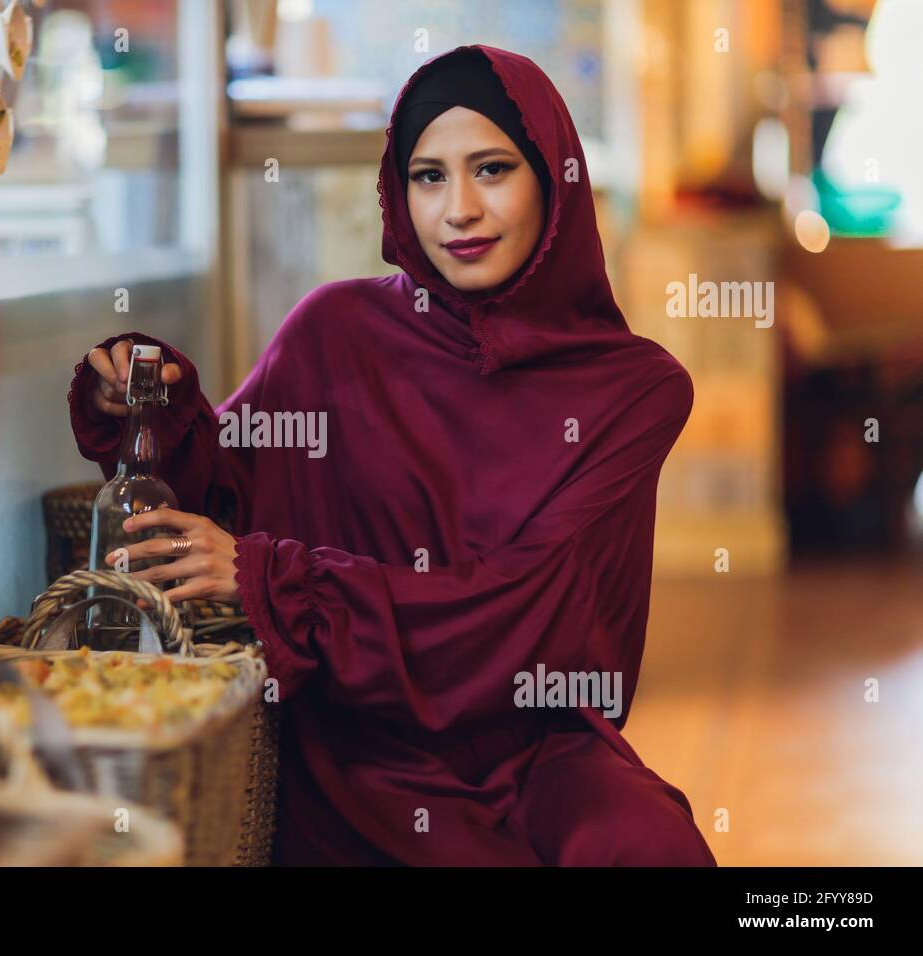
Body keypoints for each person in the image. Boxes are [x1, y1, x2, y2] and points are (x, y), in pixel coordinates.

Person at [68, 45, 716, 866]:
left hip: (535, 748)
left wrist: (279, 580)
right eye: (428, 177)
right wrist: (143, 403)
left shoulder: (635, 390)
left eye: (491, 169)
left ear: (556, 181)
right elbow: (217, 493)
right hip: (359, 748)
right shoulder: (333, 333)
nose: (459, 211)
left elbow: (534, 607)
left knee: (647, 845)